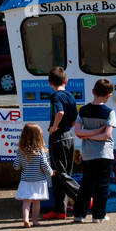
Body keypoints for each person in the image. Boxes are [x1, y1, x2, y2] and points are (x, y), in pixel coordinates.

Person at [73, 78, 116, 223]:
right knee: (102, 185)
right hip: (104, 153)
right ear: (109, 95)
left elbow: (78, 132)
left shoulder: (83, 111)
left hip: (87, 154)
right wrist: (98, 130)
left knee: (86, 185)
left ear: (93, 92)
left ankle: (79, 214)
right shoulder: (109, 112)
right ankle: (98, 215)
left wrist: (88, 133)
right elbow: (107, 135)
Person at [43, 66, 80, 221]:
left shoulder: (56, 96)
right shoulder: (70, 96)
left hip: (58, 137)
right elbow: (74, 119)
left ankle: (83, 197)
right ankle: (59, 210)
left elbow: (60, 112)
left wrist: (54, 127)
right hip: (69, 137)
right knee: (60, 174)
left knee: (60, 172)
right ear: (66, 81)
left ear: (50, 82)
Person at [13, 122, 53, 228]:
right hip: (39, 181)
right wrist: (51, 173)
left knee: (26, 202)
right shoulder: (40, 152)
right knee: (36, 202)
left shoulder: (21, 151)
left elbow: (16, 166)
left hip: (26, 180)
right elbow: (44, 165)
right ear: (39, 137)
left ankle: (26, 219)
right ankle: (35, 221)